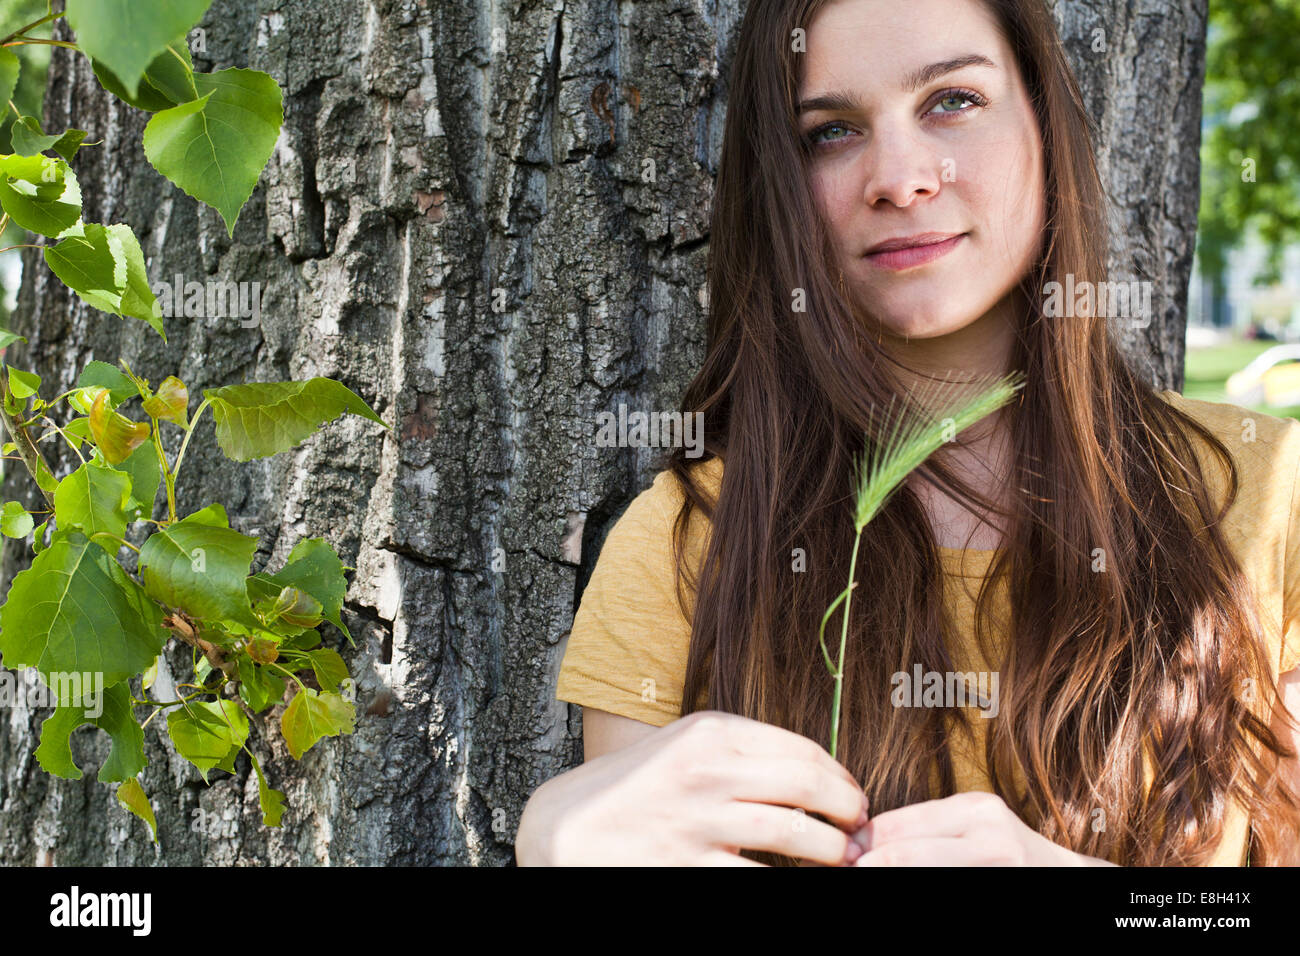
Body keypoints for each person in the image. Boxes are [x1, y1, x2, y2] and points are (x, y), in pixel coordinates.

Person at [515, 0, 1300, 866]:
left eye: (952, 101)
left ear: (1045, 120)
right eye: (831, 132)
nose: (899, 177)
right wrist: (555, 839)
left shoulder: (1264, 496)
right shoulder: (692, 541)